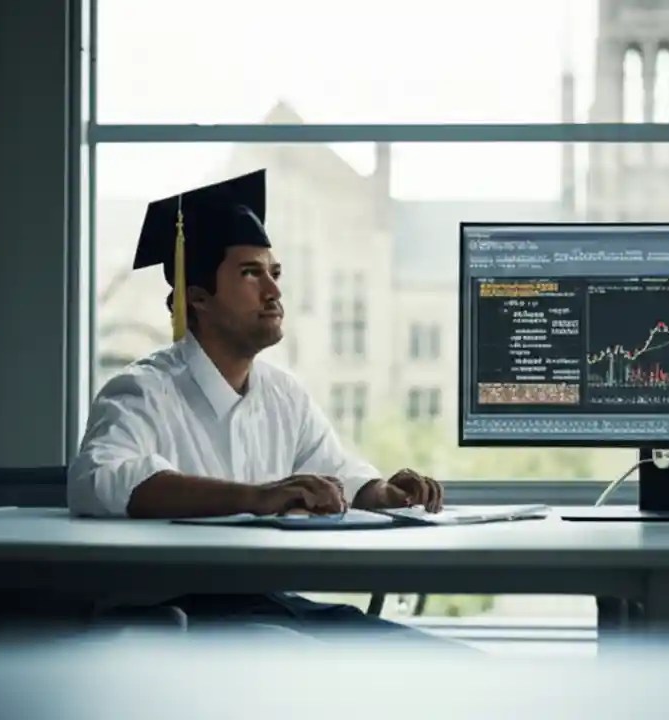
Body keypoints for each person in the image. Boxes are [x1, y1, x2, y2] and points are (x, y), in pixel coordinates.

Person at [68, 168, 446, 643]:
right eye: (251, 273)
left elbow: (336, 472)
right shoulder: (141, 391)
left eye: (275, 273)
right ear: (196, 298)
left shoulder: (282, 393)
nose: (274, 291)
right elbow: (98, 480)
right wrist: (255, 497)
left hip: (270, 609)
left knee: (436, 658)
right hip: (175, 625)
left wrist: (385, 493)